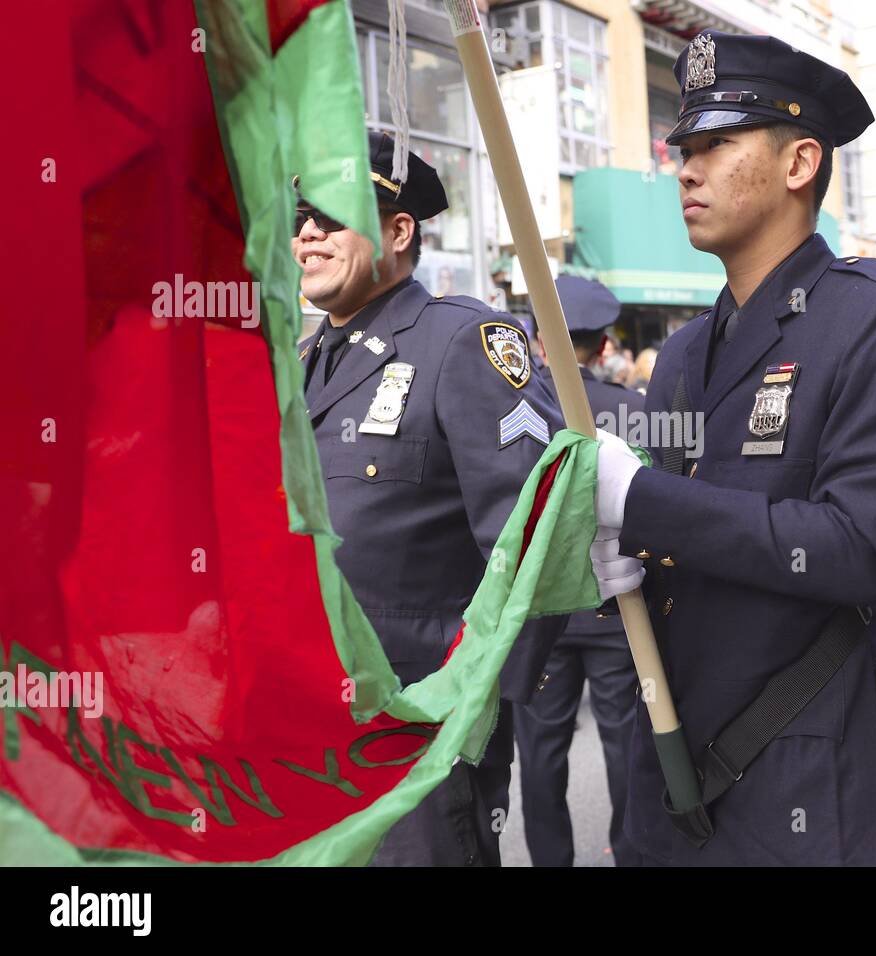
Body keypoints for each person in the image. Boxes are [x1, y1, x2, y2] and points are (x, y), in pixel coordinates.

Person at [587, 30, 876, 865]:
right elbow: (676, 543)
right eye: (684, 147)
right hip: (669, 755)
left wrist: (639, 500)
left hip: (796, 760)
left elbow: (857, 549)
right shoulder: (681, 352)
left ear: (799, 165)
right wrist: (616, 559)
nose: (686, 168)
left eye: (717, 144)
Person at [294, 131, 566, 864]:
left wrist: (465, 707)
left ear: (398, 228)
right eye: (297, 218)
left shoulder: (463, 342)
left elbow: (532, 540)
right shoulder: (296, 365)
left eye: (329, 211)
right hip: (305, 733)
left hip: (414, 737)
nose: (308, 232)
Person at [515, 275, 645, 867]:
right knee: (625, 745)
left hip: (540, 612)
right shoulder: (635, 409)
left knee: (540, 753)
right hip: (618, 610)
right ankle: (630, 852)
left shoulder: (519, 410)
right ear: (601, 347)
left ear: (541, 342)